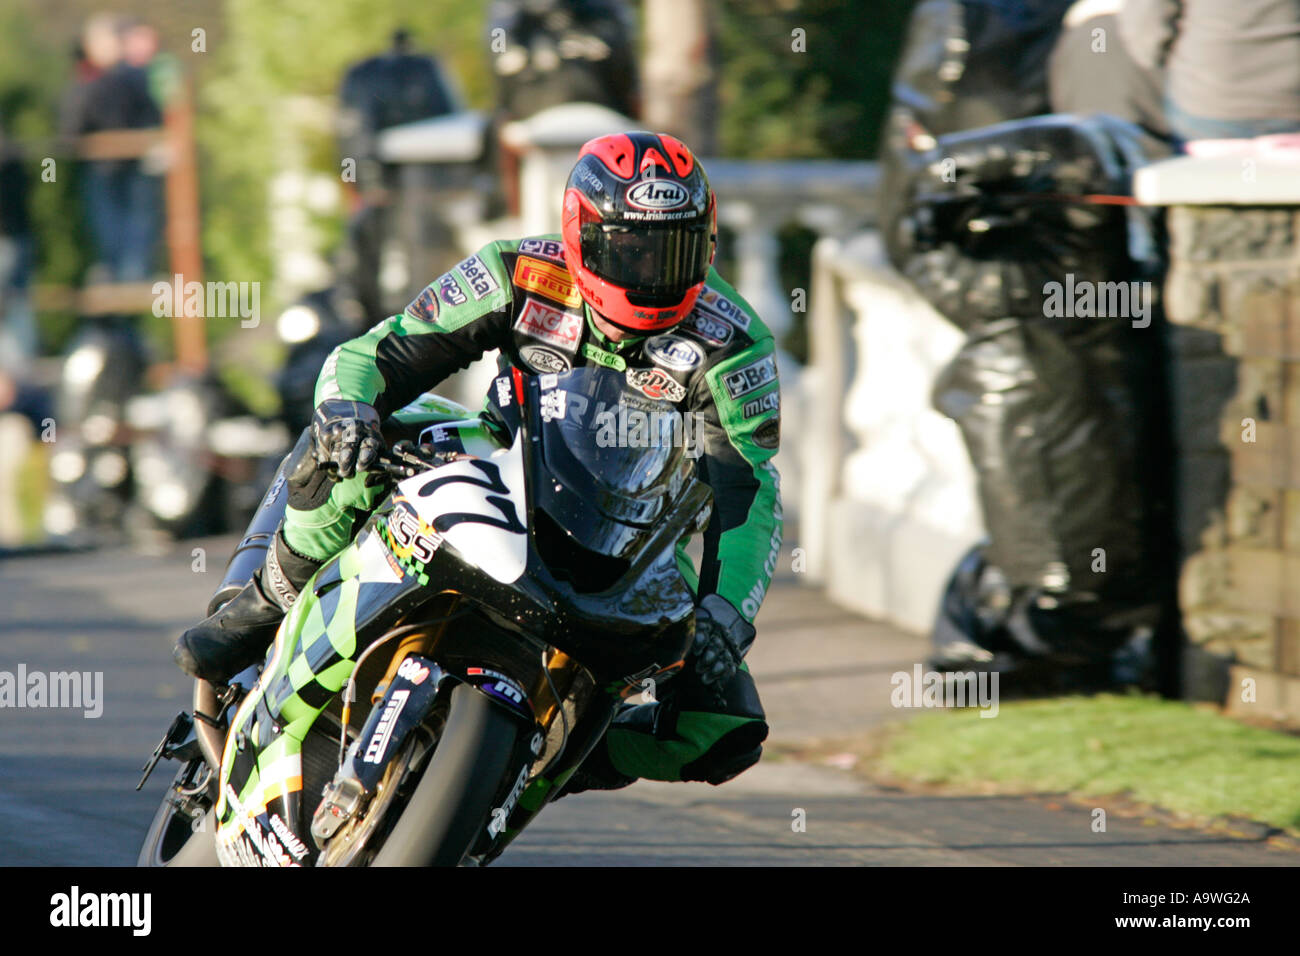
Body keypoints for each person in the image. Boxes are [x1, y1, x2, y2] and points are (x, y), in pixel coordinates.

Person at [174, 131, 781, 789]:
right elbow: (377, 353)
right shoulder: (517, 270)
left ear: (709, 243)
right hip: (497, 456)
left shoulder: (734, 342)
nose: (649, 269)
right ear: (582, 232)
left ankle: (530, 765)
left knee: (724, 732)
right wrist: (349, 410)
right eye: (629, 247)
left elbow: (747, 491)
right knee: (346, 448)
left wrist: (726, 616)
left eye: (673, 250)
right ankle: (268, 601)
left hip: (633, 537)